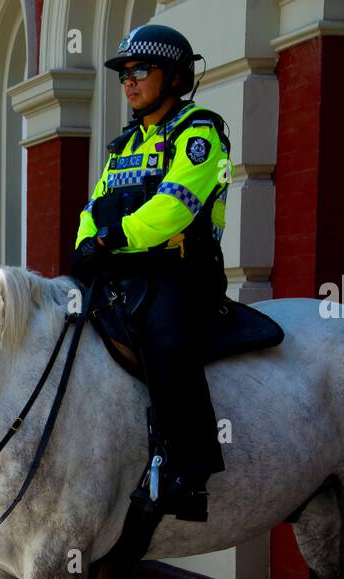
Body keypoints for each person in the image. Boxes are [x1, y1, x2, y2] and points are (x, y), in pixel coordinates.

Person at [70, 24, 230, 523]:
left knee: (165, 340)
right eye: (124, 74)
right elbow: (92, 207)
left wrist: (109, 240)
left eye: (142, 70)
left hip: (180, 272)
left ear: (176, 76)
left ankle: (189, 469)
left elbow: (174, 207)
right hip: (121, 270)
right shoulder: (122, 147)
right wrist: (85, 246)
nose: (130, 82)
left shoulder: (200, 131)